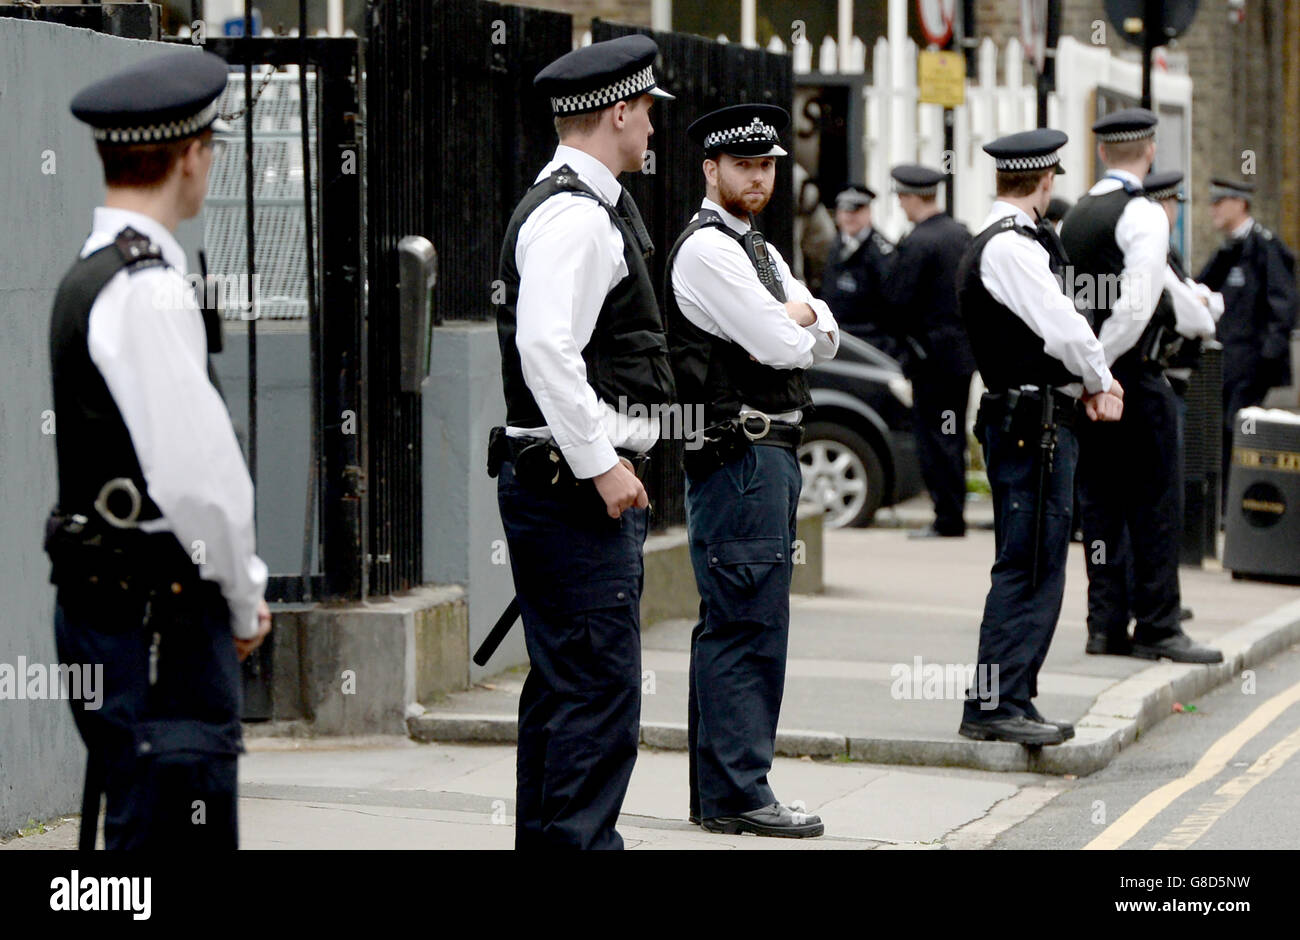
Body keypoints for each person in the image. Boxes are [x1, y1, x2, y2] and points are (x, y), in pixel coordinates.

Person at [46, 50, 271, 850]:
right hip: (160, 622)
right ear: (191, 155)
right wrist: (245, 599)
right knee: (173, 828)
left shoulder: (91, 273)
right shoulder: (148, 289)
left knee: (137, 823)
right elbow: (201, 482)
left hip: (109, 608)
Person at [489, 34, 675, 850]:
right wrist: (601, 466)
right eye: (646, 115)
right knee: (597, 696)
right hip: (570, 491)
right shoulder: (573, 216)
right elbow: (544, 349)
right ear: (620, 112)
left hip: (563, 487)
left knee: (569, 693)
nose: (652, 131)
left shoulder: (581, 205)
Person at [666, 103, 838, 836]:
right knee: (747, 625)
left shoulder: (759, 250)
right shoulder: (709, 250)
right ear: (712, 170)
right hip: (741, 455)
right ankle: (741, 790)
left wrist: (800, 318)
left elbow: (827, 328)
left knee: (740, 621)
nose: (759, 177)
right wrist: (795, 318)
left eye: (767, 165)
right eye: (744, 165)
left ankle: (724, 794)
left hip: (767, 456)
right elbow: (782, 342)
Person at [955, 128, 1124, 745]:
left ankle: (1013, 697)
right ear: (1046, 181)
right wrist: (1101, 379)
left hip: (1033, 423)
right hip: (1032, 428)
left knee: (1036, 561)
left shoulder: (1006, 242)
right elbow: (1064, 328)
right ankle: (993, 704)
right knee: (1028, 563)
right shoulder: (1012, 248)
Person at [1059, 110, 1221, 664]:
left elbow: (1069, 301)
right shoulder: (1144, 214)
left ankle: (1105, 625)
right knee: (1154, 504)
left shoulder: (1076, 215)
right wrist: (1102, 366)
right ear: (1148, 152)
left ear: (1102, 152)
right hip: (1132, 377)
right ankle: (1158, 625)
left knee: (1100, 505)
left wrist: (1086, 371)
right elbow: (1136, 304)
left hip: (1089, 381)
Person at [885, 164, 975, 539]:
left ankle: (947, 516)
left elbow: (898, 300)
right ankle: (954, 511)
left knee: (934, 438)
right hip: (960, 354)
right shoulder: (961, 234)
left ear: (909, 198)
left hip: (929, 357)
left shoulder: (919, 241)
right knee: (951, 434)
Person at [1196, 177, 1298, 501]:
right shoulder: (1228, 251)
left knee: (1237, 430)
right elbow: (1200, 288)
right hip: (1224, 363)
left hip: (1251, 365)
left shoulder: (1265, 247)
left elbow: (1282, 306)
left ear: (1240, 203)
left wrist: (1266, 361)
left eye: (1219, 202)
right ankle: (1224, 505)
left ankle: (1236, 502)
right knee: (1219, 434)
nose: (1212, 209)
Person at [819, 184, 898, 356]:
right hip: (838, 337)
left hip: (871, 341)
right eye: (845, 211)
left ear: (868, 213)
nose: (849, 217)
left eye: (855, 211)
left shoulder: (881, 252)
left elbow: (892, 306)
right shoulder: (835, 244)